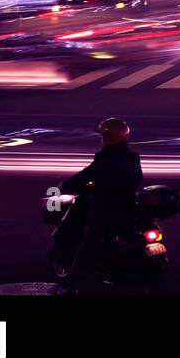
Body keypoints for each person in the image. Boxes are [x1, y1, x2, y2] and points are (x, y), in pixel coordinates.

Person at [62, 118, 143, 275]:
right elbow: (137, 180)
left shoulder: (104, 157)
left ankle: (72, 281)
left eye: (104, 137)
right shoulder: (133, 157)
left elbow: (86, 175)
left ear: (110, 138)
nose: (102, 140)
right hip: (128, 209)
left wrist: (66, 185)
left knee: (87, 245)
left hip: (105, 210)